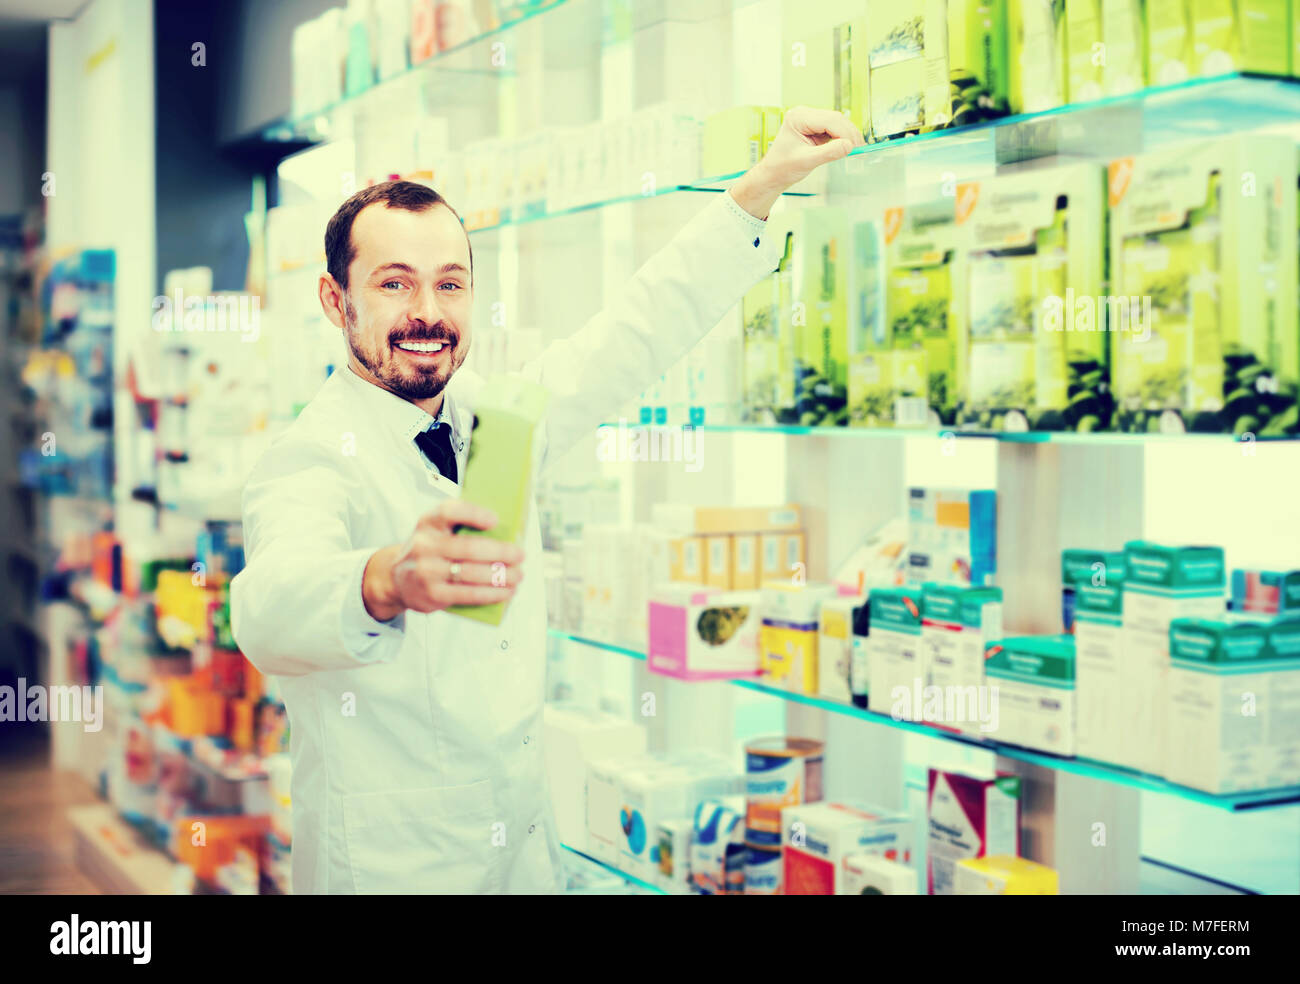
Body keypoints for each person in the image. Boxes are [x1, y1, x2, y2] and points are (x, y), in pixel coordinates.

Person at [230, 107, 863, 894]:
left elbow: (632, 334)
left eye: (450, 285)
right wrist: (383, 578)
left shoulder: (497, 420)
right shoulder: (310, 458)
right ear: (335, 301)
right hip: (394, 868)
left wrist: (761, 189)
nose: (427, 311)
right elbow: (266, 608)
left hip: (522, 855)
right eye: (393, 285)